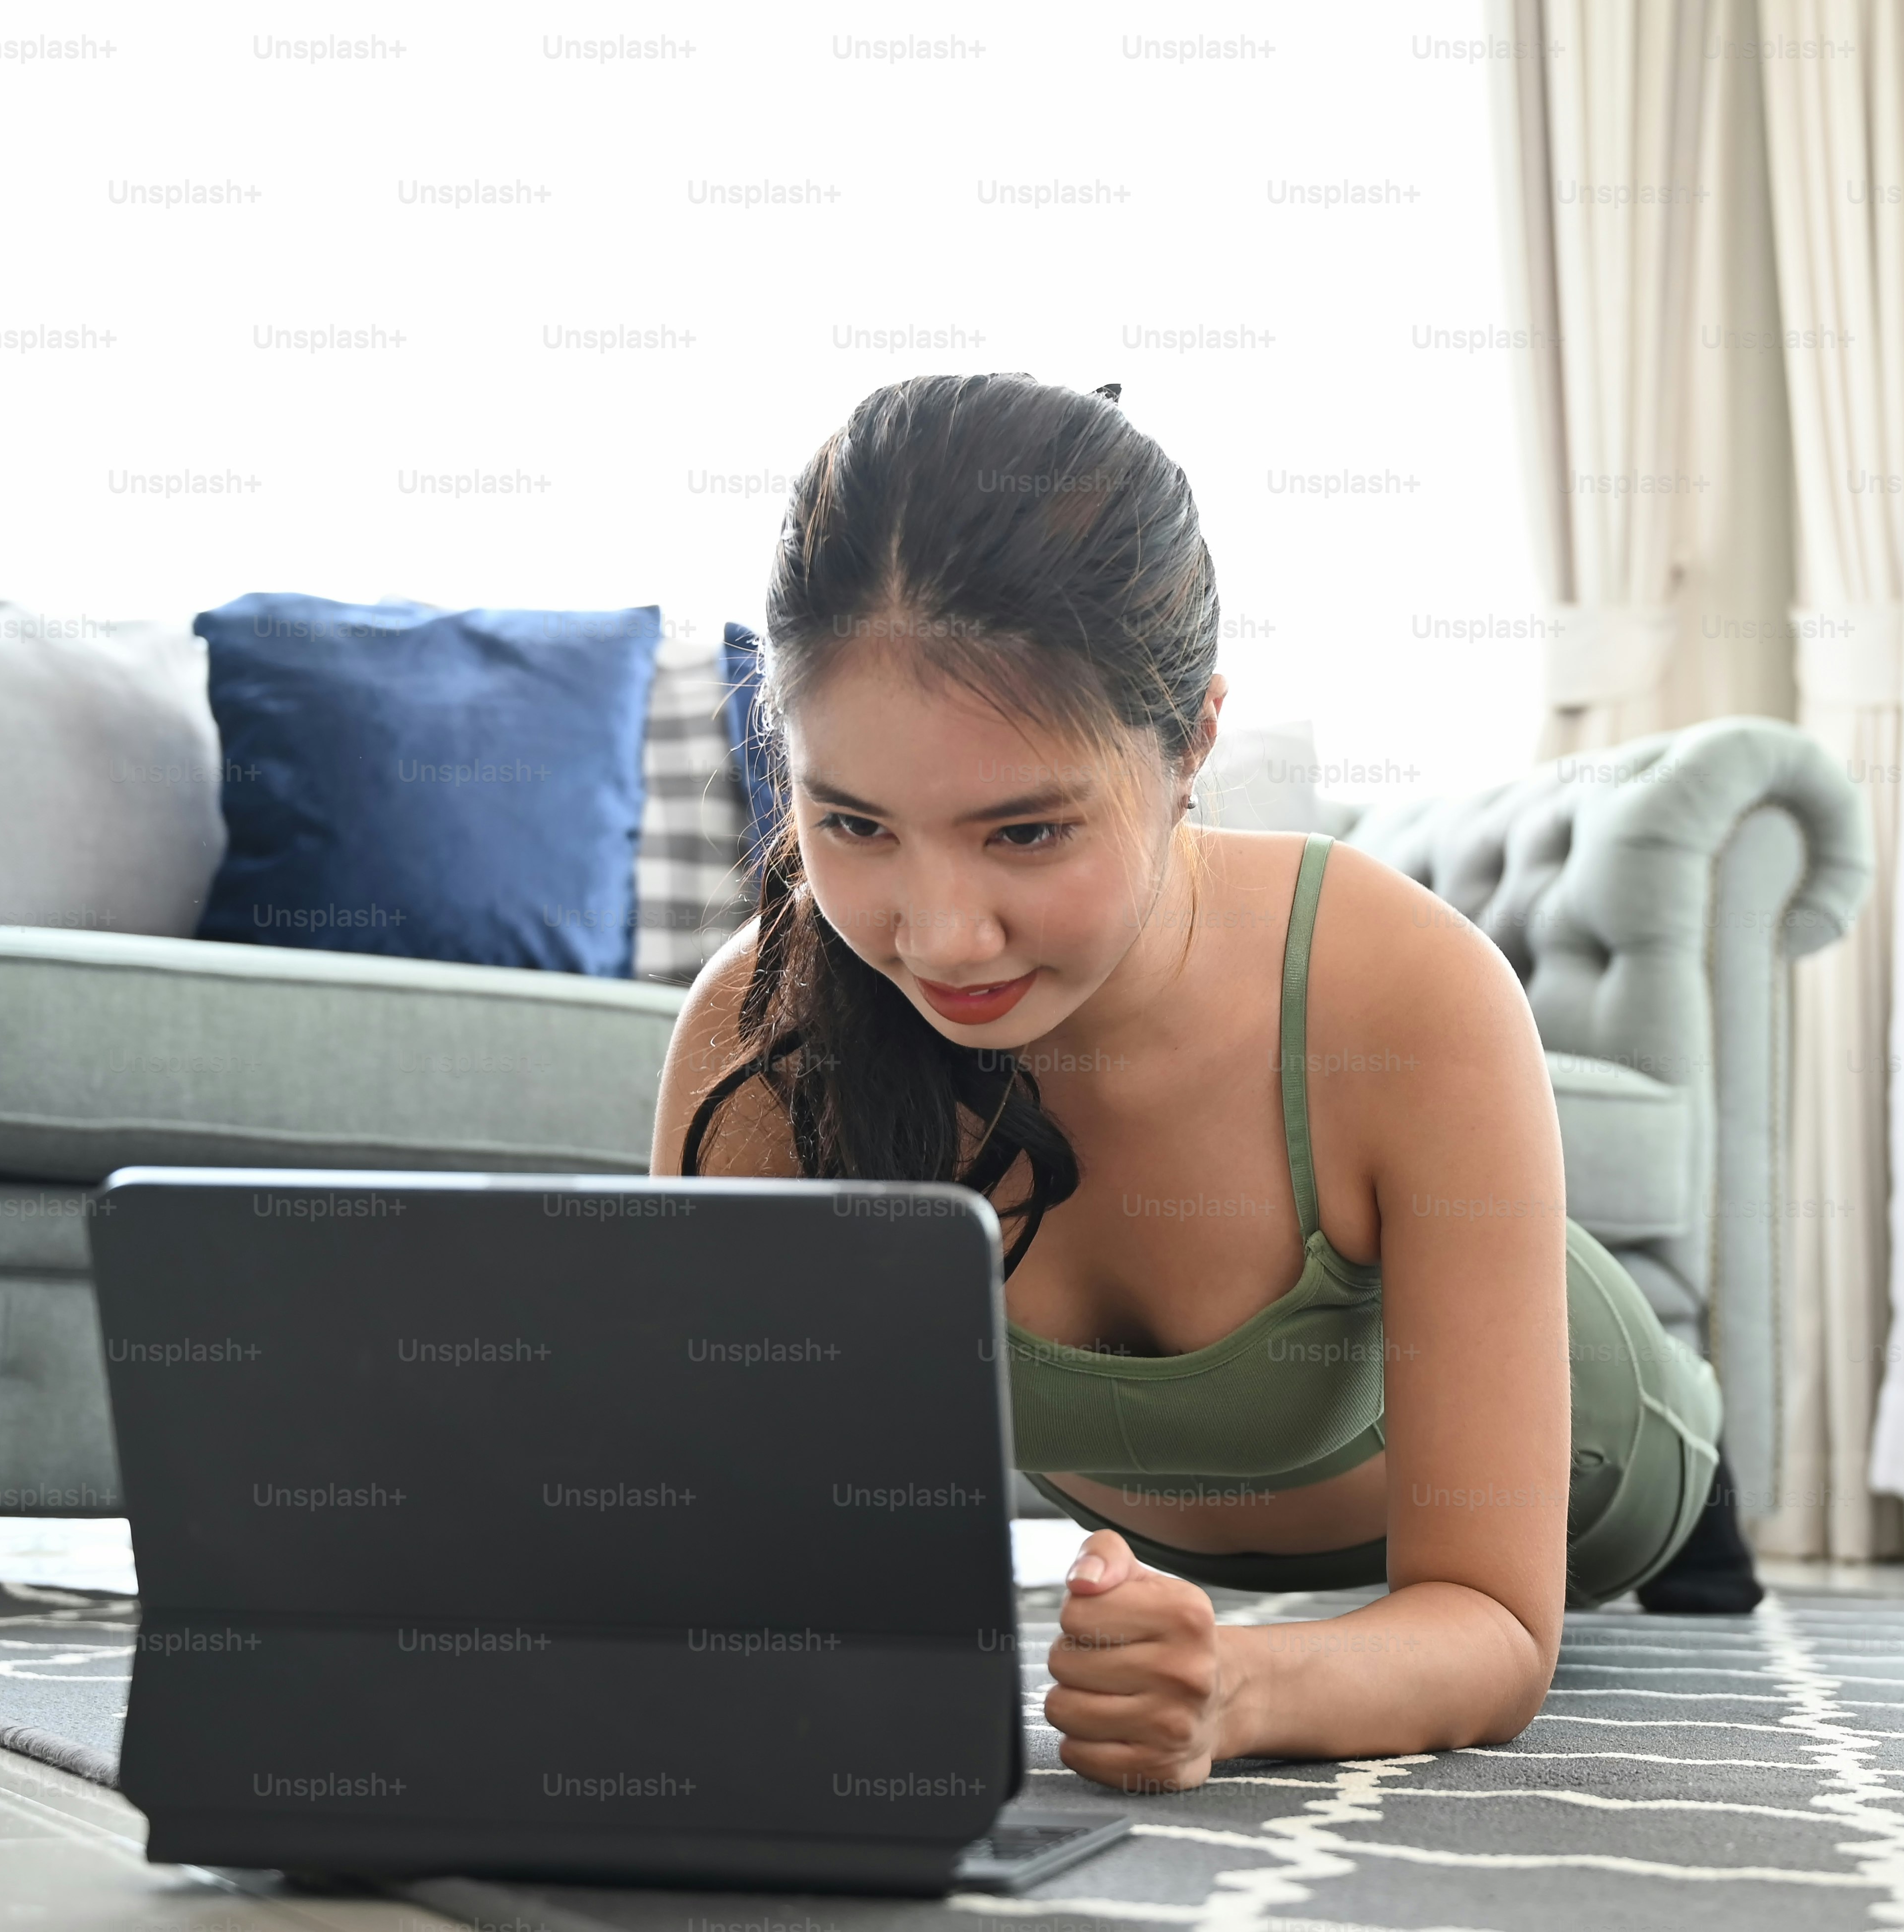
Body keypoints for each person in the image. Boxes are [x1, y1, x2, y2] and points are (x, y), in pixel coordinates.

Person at [652, 373, 1762, 1796]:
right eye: (852, 821)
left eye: (1028, 830)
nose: (937, 934)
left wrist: (1242, 1685)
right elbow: (738, 1544)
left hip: (1617, 1478)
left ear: (1190, 745)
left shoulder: (1407, 994)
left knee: (1664, 1561)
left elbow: (1491, 1624)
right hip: (1241, 1547)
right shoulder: (765, 1046)